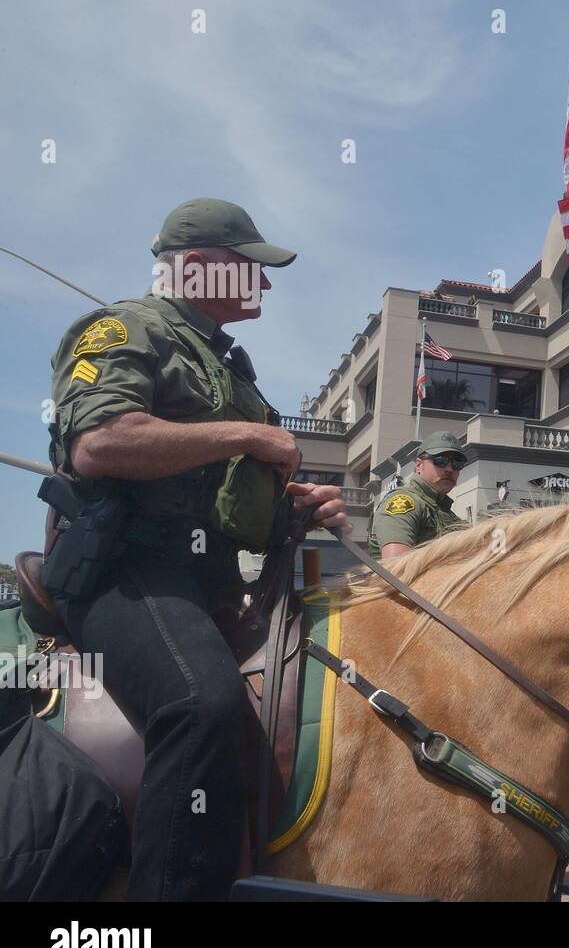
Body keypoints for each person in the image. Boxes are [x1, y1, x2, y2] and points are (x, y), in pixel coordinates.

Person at [44, 198, 349, 901]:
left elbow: (225, 495)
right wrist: (246, 436)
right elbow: (99, 443)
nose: (264, 286)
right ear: (205, 265)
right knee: (200, 701)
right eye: (254, 270)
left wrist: (299, 504)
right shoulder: (127, 327)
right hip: (126, 572)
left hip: (210, 580)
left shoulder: (228, 367)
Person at [367, 431, 465, 559]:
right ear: (419, 465)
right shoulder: (404, 501)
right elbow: (396, 567)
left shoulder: (450, 516)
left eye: (457, 463)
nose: (449, 469)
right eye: (440, 461)